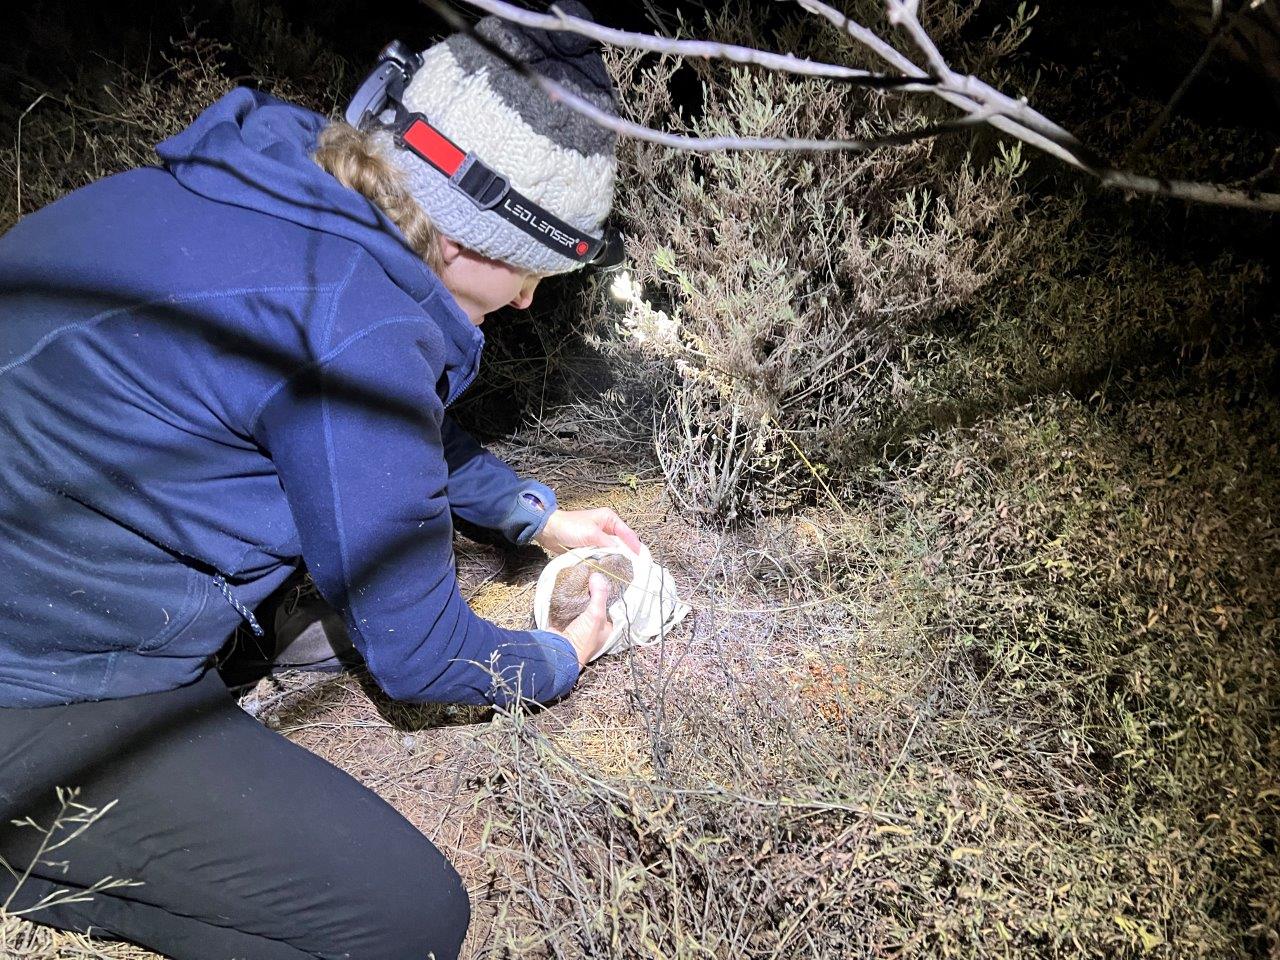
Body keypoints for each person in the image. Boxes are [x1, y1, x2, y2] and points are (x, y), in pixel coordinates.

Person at [0, 5, 633, 958]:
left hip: (43, 574)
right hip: (36, 685)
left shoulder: (278, 188)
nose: (534, 297)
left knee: (309, 625)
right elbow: (417, 652)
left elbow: (363, 406)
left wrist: (529, 515)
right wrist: (560, 657)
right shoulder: (358, 328)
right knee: (406, 920)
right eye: (533, 268)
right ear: (464, 237)